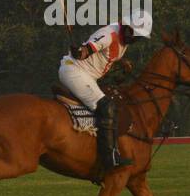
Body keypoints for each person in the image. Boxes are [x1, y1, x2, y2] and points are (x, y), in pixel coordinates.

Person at [58, 9, 152, 170]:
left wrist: (122, 62)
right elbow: (89, 48)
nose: (134, 38)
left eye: (138, 36)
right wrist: (81, 52)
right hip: (75, 71)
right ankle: (109, 158)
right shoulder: (109, 34)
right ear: (126, 25)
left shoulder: (124, 39)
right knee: (106, 107)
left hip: (87, 76)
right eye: (133, 33)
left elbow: (110, 54)